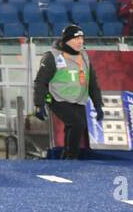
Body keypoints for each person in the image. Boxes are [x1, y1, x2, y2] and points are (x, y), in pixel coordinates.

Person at [33, 24, 103, 160]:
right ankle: (71, 156)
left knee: (74, 127)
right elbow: (40, 81)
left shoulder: (84, 56)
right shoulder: (52, 56)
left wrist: (98, 104)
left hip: (79, 99)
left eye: (82, 38)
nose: (80, 41)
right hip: (58, 99)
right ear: (67, 40)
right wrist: (39, 104)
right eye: (77, 38)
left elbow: (92, 83)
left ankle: (67, 156)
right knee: (77, 124)